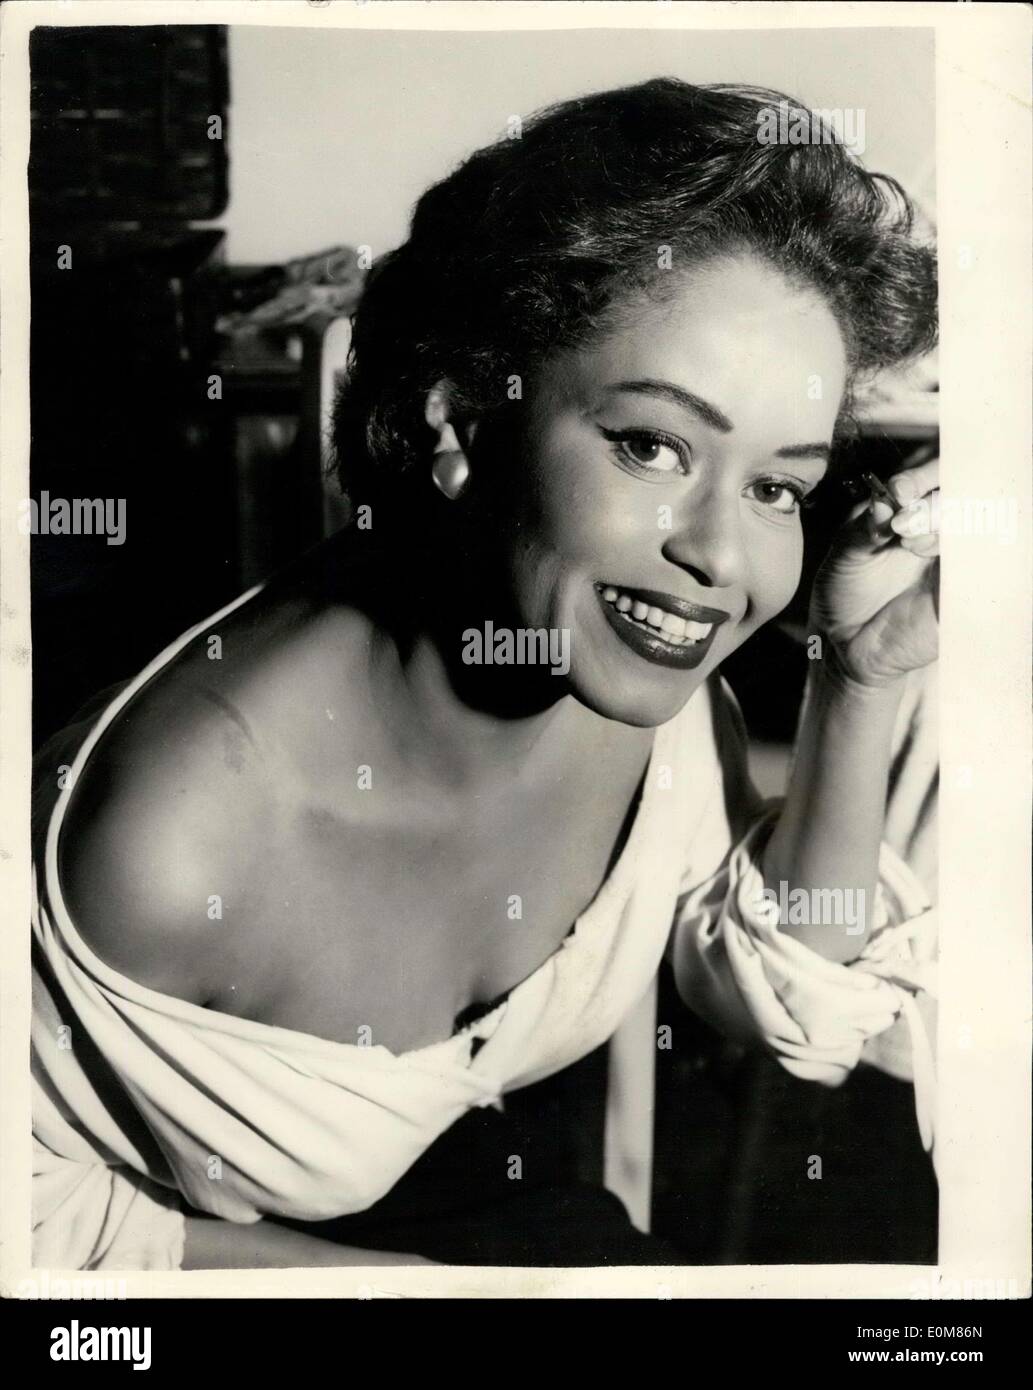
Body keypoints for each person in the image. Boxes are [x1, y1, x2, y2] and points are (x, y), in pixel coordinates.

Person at [31, 78, 939, 1270]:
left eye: (776, 484)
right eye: (651, 445)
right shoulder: (176, 835)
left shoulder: (639, 693)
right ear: (463, 423)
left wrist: (860, 681)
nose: (721, 557)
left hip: (464, 1205)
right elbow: (29, 1229)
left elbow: (781, 1001)